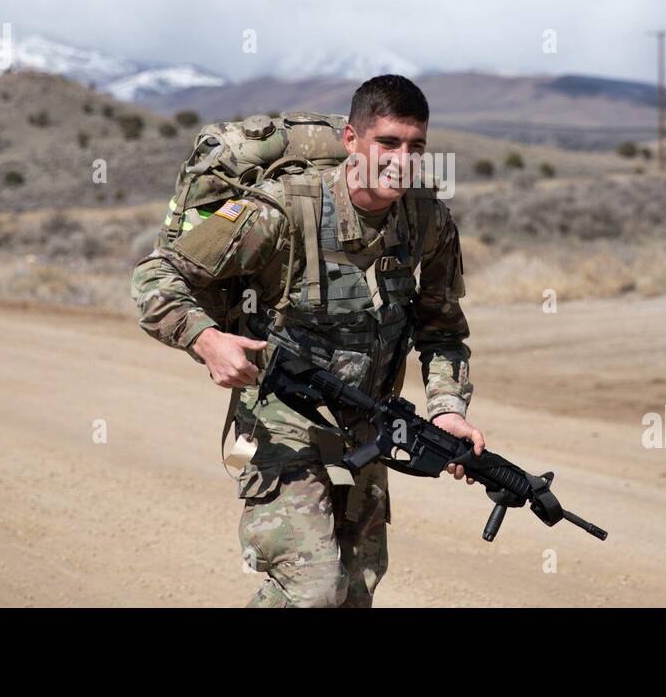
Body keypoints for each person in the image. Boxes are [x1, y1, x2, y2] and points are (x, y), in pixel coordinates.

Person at [131, 74, 482, 607]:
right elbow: (156, 277)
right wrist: (206, 340)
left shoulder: (427, 221)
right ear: (351, 140)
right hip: (281, 418)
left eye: (417, 147)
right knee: (314, 590)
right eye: (387, 142)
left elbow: (443, 331)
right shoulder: (280, 212)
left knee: (355, 594)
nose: (402, 160)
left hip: (369, 424)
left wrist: (447, 408)